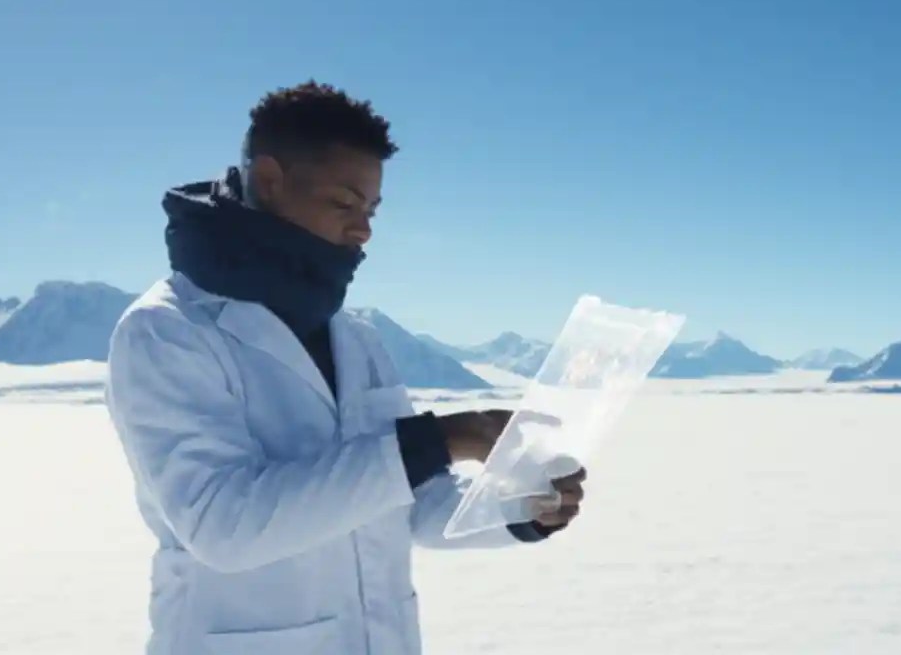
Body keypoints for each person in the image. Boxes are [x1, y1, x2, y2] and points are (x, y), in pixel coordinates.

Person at [105, 80, 586, 655]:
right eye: (344, 203)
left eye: (372, 210)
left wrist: (521, 510)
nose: (363, 230)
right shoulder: (169, 330)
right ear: (269, 180)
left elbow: (408, 500)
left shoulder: (352, 336)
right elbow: (222, 525)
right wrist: (438, 439)